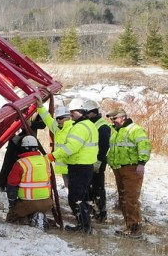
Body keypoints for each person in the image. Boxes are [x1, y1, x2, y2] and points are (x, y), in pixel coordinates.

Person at [47, 97, 99, 233]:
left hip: (79, 166)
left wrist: (53, 156)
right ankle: (85, 225)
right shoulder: (89, 125)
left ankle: (83, 226)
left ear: (81, 112)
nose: (70, 115)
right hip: (86, 166)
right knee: (83, 196)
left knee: (75, 198)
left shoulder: (80, 128)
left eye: (73, 112)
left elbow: (71, 147)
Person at [106, 109, 151, 238]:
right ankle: (129, 227)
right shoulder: (116, 131)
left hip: (132, 168)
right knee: (123, 198)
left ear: (123, 117)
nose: (112, 121)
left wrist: (142, 163)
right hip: (118, 168)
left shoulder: (135, 130)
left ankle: (135, 229)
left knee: (131, 198)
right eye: (111, 119)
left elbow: (144, 146)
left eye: (115, 118)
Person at [6, 135, 54, 229]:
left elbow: (11, 184)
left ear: (23, 148)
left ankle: (28, 219)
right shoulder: (45, 160)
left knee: (12, 218)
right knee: (31, 209)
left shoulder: (21, 163)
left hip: (28, 203)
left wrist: (12, 203)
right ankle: (39, 216)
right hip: (47, 203)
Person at [87, 105, 113, 222]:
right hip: (91, 161)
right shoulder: (94, 123)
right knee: (91, 188)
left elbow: (104, 146)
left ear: (93, 113)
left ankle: (101, 214)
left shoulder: (102, 126)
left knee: (98, 188)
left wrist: (98, 162)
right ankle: (95, 212)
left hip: (98, 162)